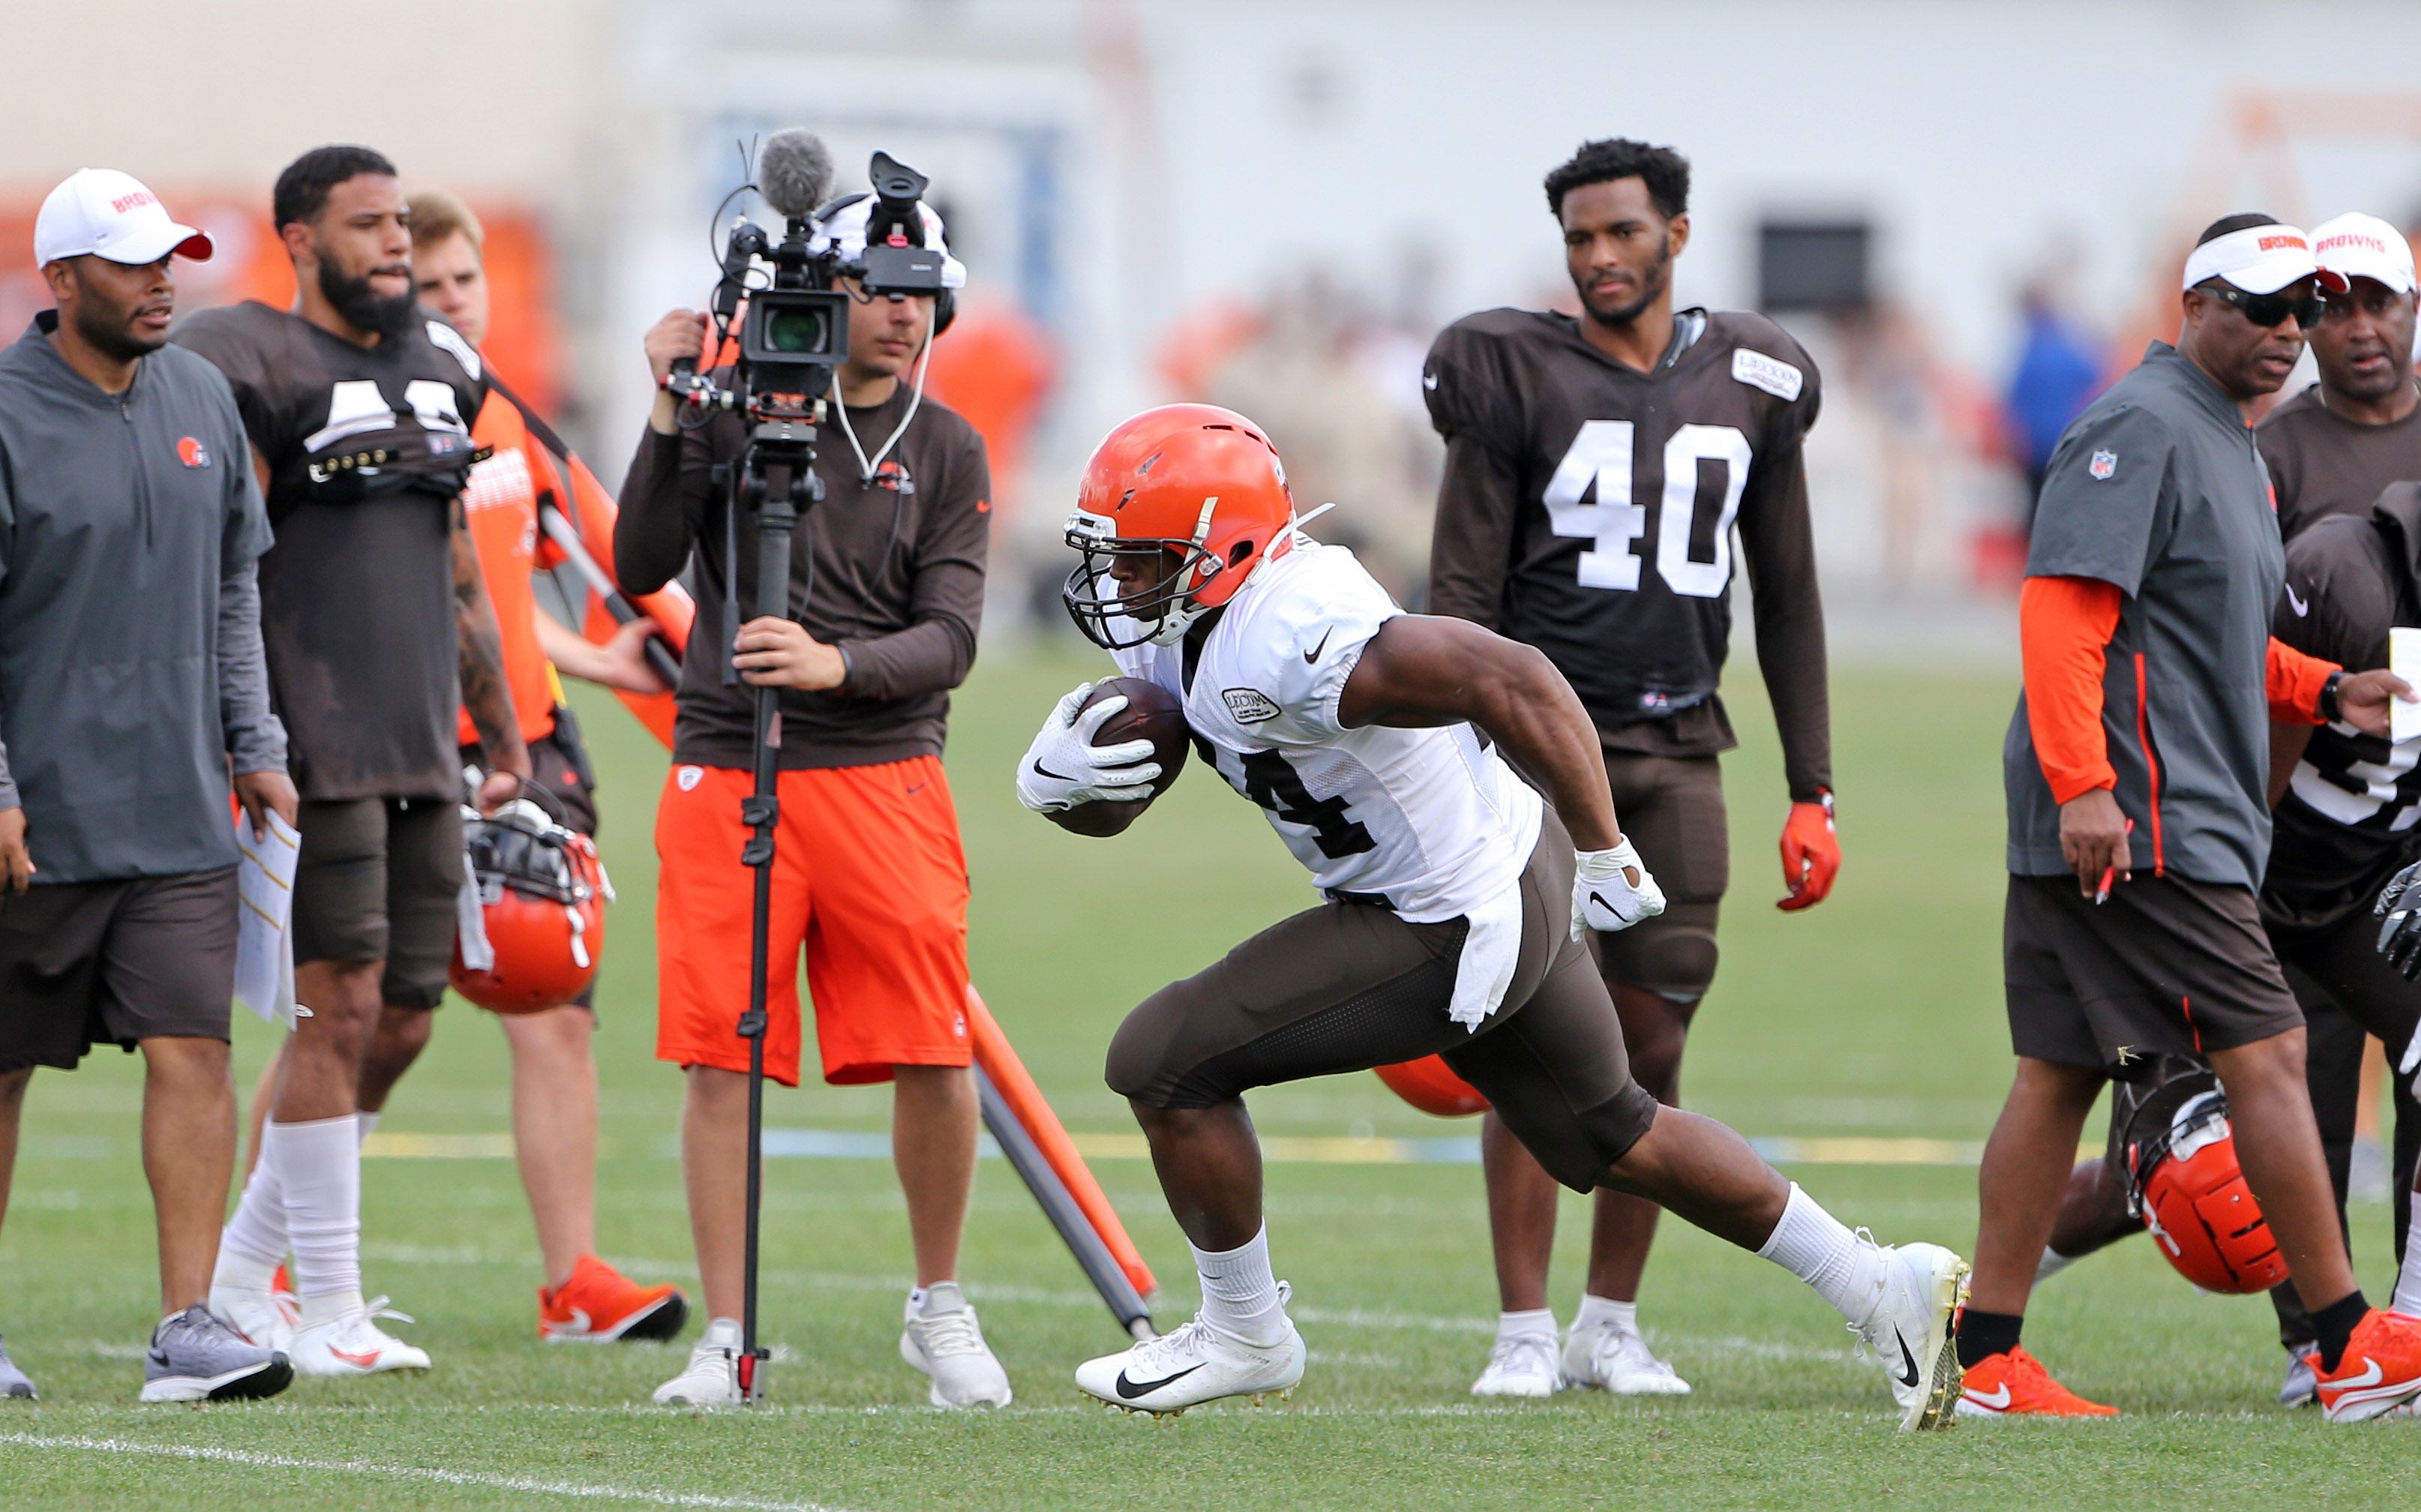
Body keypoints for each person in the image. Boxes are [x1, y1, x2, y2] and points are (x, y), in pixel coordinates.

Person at [1030, 403, 1968, 1427]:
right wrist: (1069, 791)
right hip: (1499, 867)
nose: (1120, 584)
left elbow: (1512, 677)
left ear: (1230, 548)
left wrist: (1607, 843)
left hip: (1448, 915)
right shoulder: (1190, 624)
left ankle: (1245, 1331)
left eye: (1144, 560)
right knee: (1617, 1132)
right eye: (1115, 559)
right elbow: (1135, 788)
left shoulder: (1291, 633)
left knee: (1162, 1060)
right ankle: (1882, 1288)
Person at [1960, 214, 2421, 1422]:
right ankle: (2345, 1345)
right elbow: (2064, 615)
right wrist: (2088, 788)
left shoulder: (2224, 434)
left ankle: (1985, 1357)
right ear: (2196, 302)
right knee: (2268, 1050)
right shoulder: (2142, 423)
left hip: (2144, 807)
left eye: (2303, 312)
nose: (2289, 333)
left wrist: (2325, 688)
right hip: (2146, 814)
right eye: (2263, 308)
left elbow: (2209, 634)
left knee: (2055, 1077)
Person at [1420, 137, 1838, 1397]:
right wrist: (1453, 767)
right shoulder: (1509, 370)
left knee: (1651, 1053)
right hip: (1537, 759)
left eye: (1622, 233)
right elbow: (1459, 597)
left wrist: (1813, 787)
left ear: (1679, 233)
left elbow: (1792, 599)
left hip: (1679, 753)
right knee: (1526, 1038)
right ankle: (1521, 1330)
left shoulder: (1756, 376)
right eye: (1580, 240)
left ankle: (1610, 1322)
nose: (1601, 258)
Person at [615, 191, 1006, 1408]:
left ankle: (938, 1303)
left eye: (918, 292)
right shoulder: (735, 415)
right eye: (878, 287)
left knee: (935, 1052)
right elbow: (637, 564)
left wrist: (840, 665)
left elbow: (951, 635)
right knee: (721, 1059)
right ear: (823, 290)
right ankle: (727, 1337)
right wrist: (674, 408)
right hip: (730, 758)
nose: (902, 314)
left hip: (887, 768)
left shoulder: (946, 445)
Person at [174, 144, 531, 1378]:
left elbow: (453, 561)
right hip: (310, 740)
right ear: (301, 240)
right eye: (367, 224)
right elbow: (219, 558)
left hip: (425, 738)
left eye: (399, 223)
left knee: (409, 1017)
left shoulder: (444, 370)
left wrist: (500, 720)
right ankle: (326, 1304)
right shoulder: (250, 361)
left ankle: (237, 1281)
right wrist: (238, 728)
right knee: (340, 1009)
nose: (394, 243)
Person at [0, 169, 294, 1402]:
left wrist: (258, 742)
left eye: (170, 256)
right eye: (130, 263)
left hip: (180, 808)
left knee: (195, 1051)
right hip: (34, 812)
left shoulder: (201, 398)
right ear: (62, 282)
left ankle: (190, 1325)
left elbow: (234, 588)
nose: (161, 278)